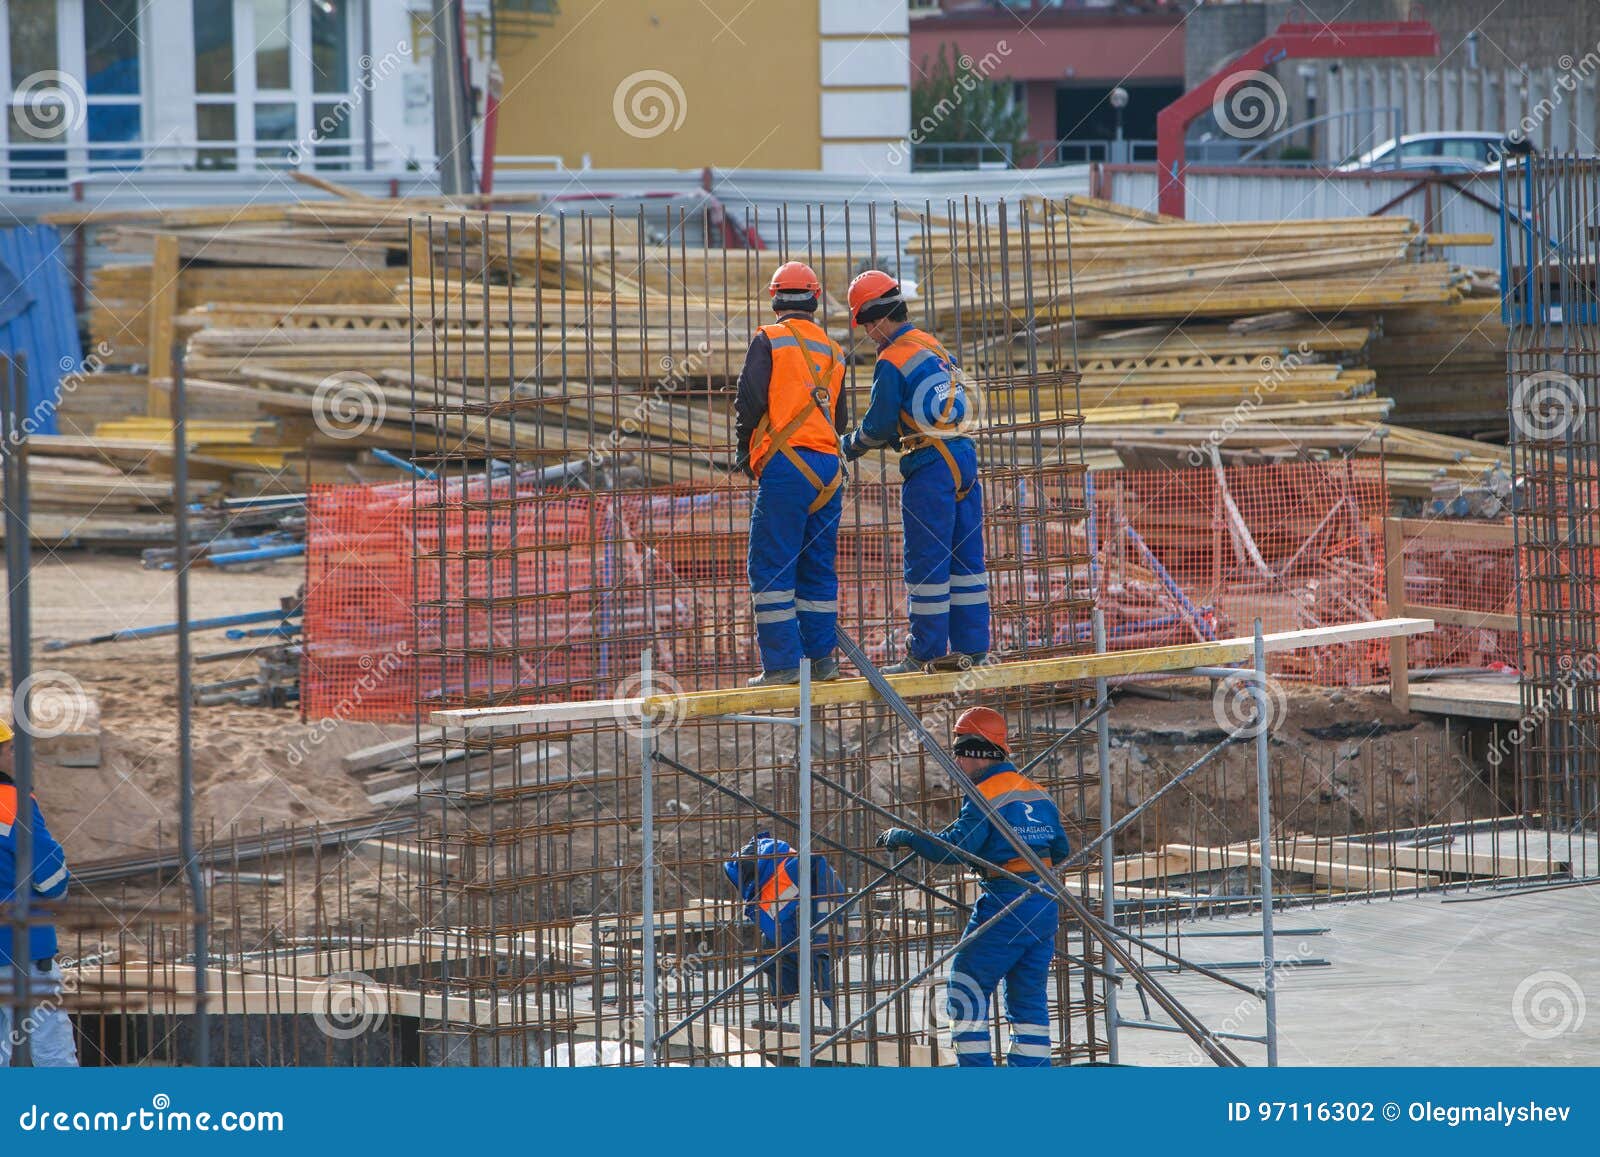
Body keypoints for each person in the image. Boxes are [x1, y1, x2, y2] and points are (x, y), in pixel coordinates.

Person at [877, 707, 1067, 1066]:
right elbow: (1061, 849)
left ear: (972, 753)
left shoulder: (984, 794)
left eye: (957, 755)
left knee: (966, 987)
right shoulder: (1036, 792)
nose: (956, 764)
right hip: (1045, 901)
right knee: (1029, 999)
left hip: (1007, 900)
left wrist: (907, 836)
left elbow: (954, 848)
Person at [841, 269, 989, 673]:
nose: (868, 333)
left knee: (928, 561)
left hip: (929, 466)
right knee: (966, 559)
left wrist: (847, 446)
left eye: (867, 324)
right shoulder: (931, 344)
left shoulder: (892, 359)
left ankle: (924, 652)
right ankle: (973, 650)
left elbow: (878, 424)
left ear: (878, 316)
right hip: (963, 458)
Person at [735, 261, 849, 686]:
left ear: (775, 299)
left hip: (790, 467)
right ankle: (821, 662)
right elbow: (839, 419)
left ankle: (783, 665)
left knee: (771, 567)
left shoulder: (770, 339)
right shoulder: (835, 351)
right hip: (828, 470)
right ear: (815, 300)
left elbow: (748, 401)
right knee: (817, 568)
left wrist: (746, 454)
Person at [0, 718, 78, 1067]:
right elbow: (50, 878)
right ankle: (64, 1117)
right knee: (52, 1048)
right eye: (11, 749)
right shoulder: (11, 803)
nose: (19, 756)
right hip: (22, 949)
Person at [722, 831, 847, 1025]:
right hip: (800, 917)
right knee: (770, 951)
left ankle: (841, 1020)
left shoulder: (789, 869)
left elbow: (824, 883)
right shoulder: (767, 872)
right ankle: (786, 995)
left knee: (821, 961)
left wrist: (823, 943)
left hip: (823, 912)